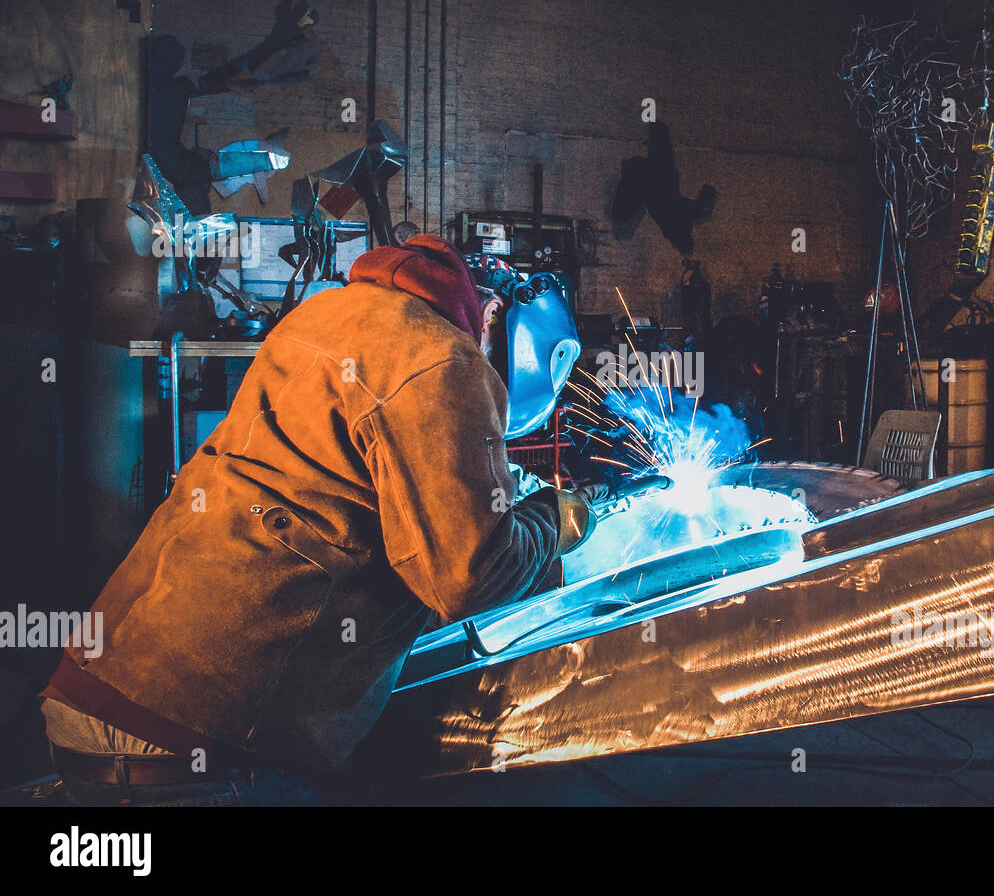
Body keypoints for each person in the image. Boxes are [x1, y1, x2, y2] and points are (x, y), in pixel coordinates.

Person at [40, 233, 605, 805]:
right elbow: (473, 576)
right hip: (200, 740)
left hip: (96, 686)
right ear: (492, 315)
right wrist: (555, 520)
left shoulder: (326, 314)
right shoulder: (446, 358)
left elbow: (356, 474)